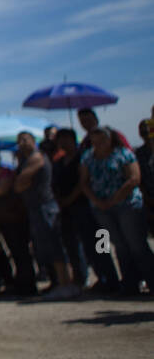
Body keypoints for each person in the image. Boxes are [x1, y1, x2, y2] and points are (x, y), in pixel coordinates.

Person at [80, 126, 154, 295]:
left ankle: (151, 280)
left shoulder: (123, 153)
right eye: (94, 140)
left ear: (110, 138)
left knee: (137, 245)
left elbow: (134, 178)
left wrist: (114, 199)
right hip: (101, 208)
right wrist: (98, 201)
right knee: (118, 246)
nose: (97, 143)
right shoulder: (88, 157)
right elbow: (84, 182)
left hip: (127, 205)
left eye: (101, 139)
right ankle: (129, 284)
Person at [53, 127, 120, 293]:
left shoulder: (84, 157)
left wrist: (70, 198)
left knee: (100, 243)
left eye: (66, 139)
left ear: (72, 139)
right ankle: (89, 278)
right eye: (60, 139)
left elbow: (84, 182)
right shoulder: (60, 162)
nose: (62, 143)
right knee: (82, 248)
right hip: (68, 210)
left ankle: (110, 278)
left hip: (88, 206)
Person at [13, 130, 78, 299]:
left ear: (34, 141)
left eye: (25, 139)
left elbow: (20, 182)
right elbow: (19, 184)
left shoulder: (37, 157)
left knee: (55, 245)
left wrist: (22, 180)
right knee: (46, 247)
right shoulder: (25, 160)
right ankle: (57, 282)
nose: (22, 143)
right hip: (35, 207)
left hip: (45, 206)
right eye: (19, 140)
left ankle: (67, 283)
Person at [0, 147, 35, 296]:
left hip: (14, 217)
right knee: (9, 251)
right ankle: (17, 283)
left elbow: (1, 190)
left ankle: (29, 285)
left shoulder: (7, 172)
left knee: (21, 251)